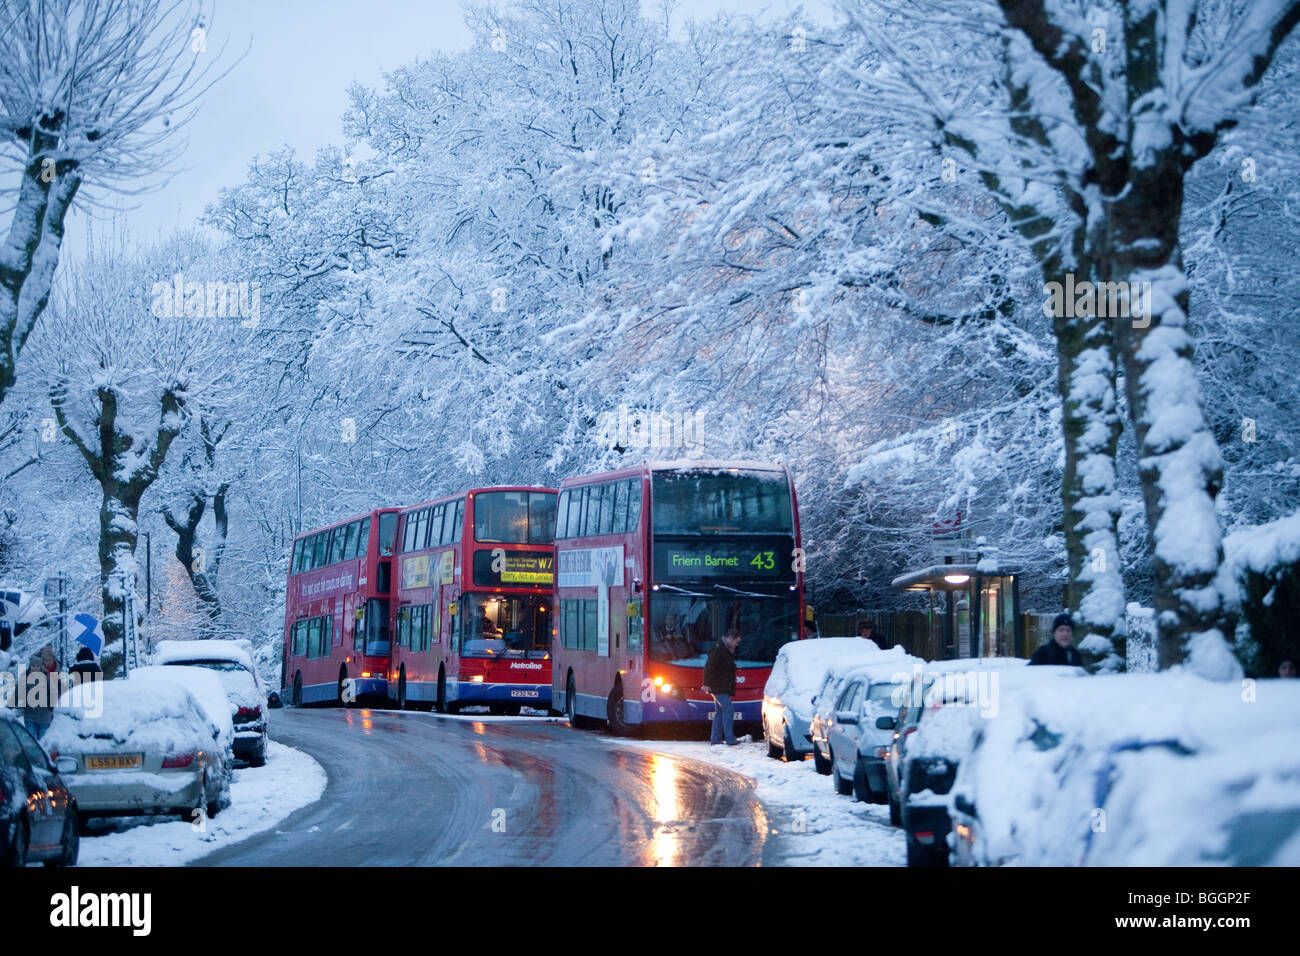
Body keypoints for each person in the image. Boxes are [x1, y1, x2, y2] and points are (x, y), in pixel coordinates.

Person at [703, 629, 746, 746]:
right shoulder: (719, 649)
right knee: (728, 710)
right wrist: (706, 684)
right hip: (719, 686)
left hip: (719, 685)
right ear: (730, 639)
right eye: (736, 642)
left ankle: (716, 739)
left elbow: (720, 665)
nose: (737, 645)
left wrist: (733, 667)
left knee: (720, 712)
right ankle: (730, 739)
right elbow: (709, 667)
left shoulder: (723, 649)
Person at [20, 655, 54, 741]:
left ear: (41, 667)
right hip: (29, 715)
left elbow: (53, 694)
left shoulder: (47, 679)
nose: (35, 668)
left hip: (44, 716)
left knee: (42, 741)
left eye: (37, 666)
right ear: (30, 666)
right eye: (33, 666)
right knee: (29, 740)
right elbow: (18, 693)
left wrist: (50, 707)